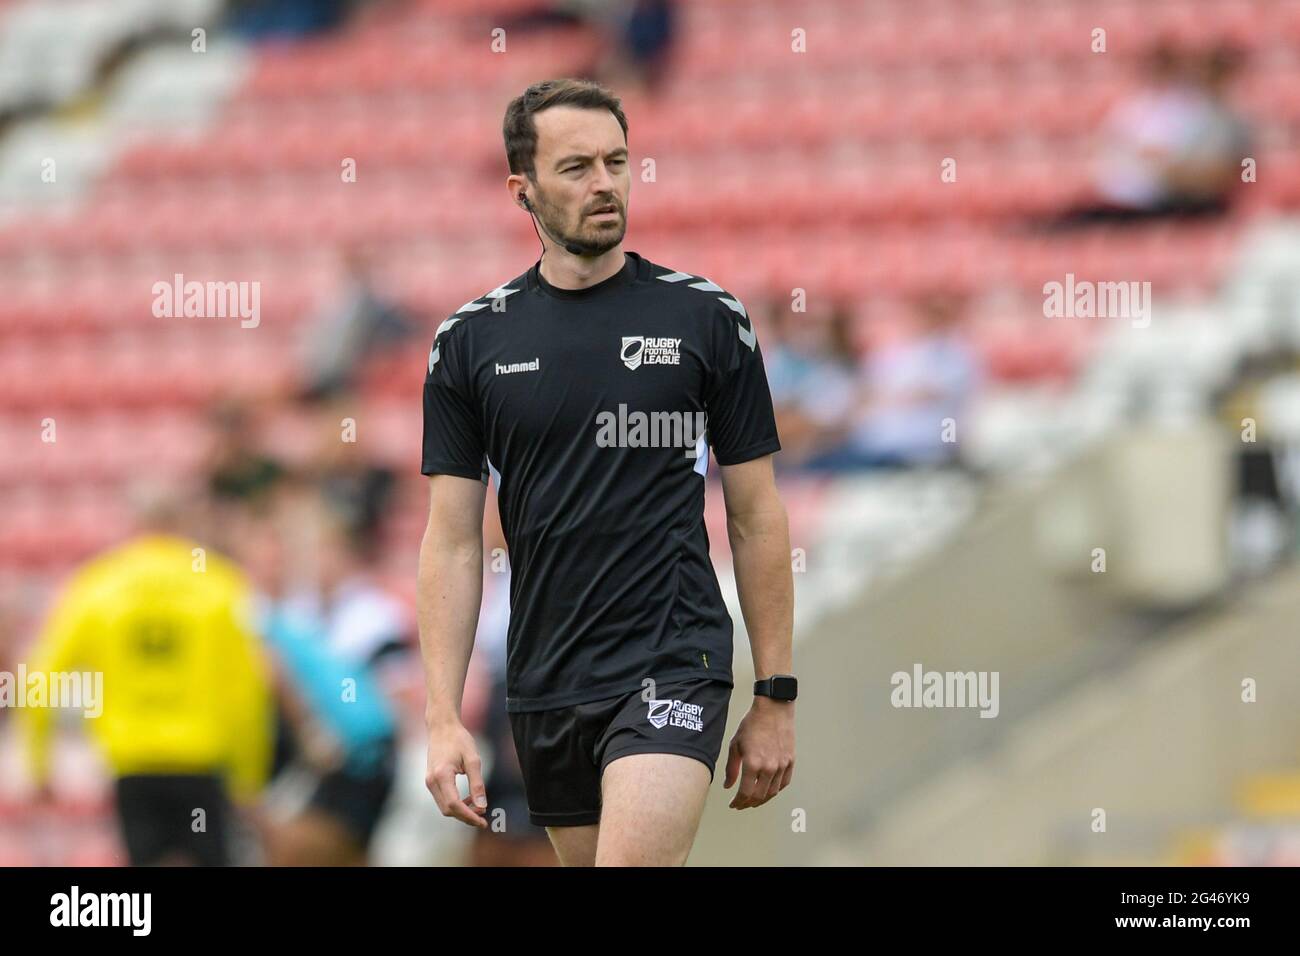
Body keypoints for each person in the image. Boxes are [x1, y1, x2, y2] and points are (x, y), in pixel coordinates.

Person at [418, 78, 797, 867]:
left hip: (674, 658)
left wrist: (775, 693)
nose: (604, 185)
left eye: (618, 163)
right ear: (522, 189)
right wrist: (442, 716)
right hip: (548, 678)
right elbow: (452, 543)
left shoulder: (704, 318)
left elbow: (758, 515)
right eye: (577, 167)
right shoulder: (469, 344)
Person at [18, 484, 273, 866]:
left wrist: (38, 763)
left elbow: (43, 674)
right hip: (200, 762)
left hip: (134, 764)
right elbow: (249, 687)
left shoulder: (98, 584)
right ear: (183, 522)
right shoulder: (219, 584)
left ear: (135, 522)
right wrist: (249, 776)